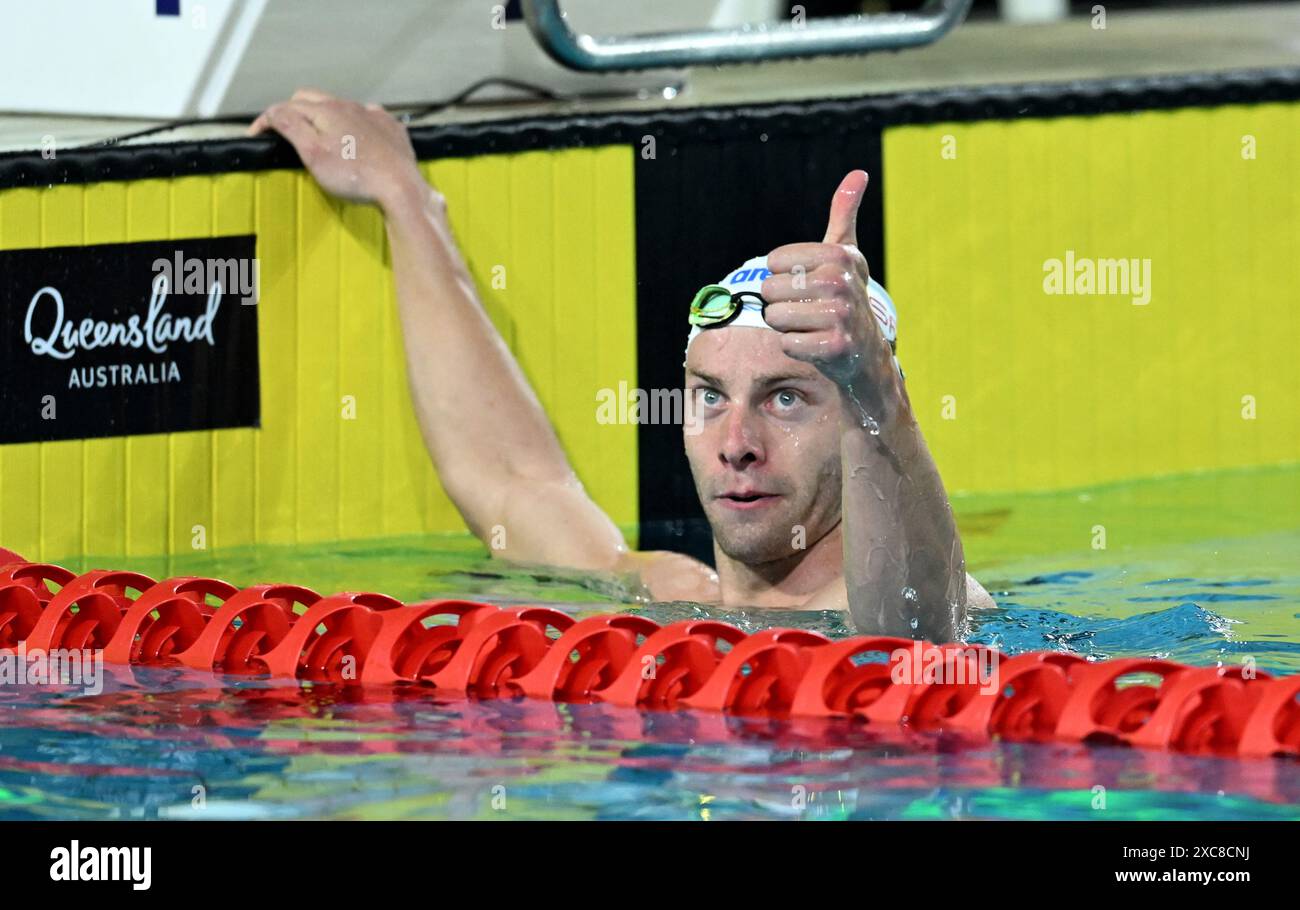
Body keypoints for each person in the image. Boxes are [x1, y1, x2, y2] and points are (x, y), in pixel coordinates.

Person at [249, 90, 993, 642]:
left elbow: (910, 633)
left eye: (786, 398)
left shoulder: (940, 603)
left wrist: (872, 388)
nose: (737, 441)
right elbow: (511, 481)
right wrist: (406, 203)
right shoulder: (664, 588)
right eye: (709, 396)